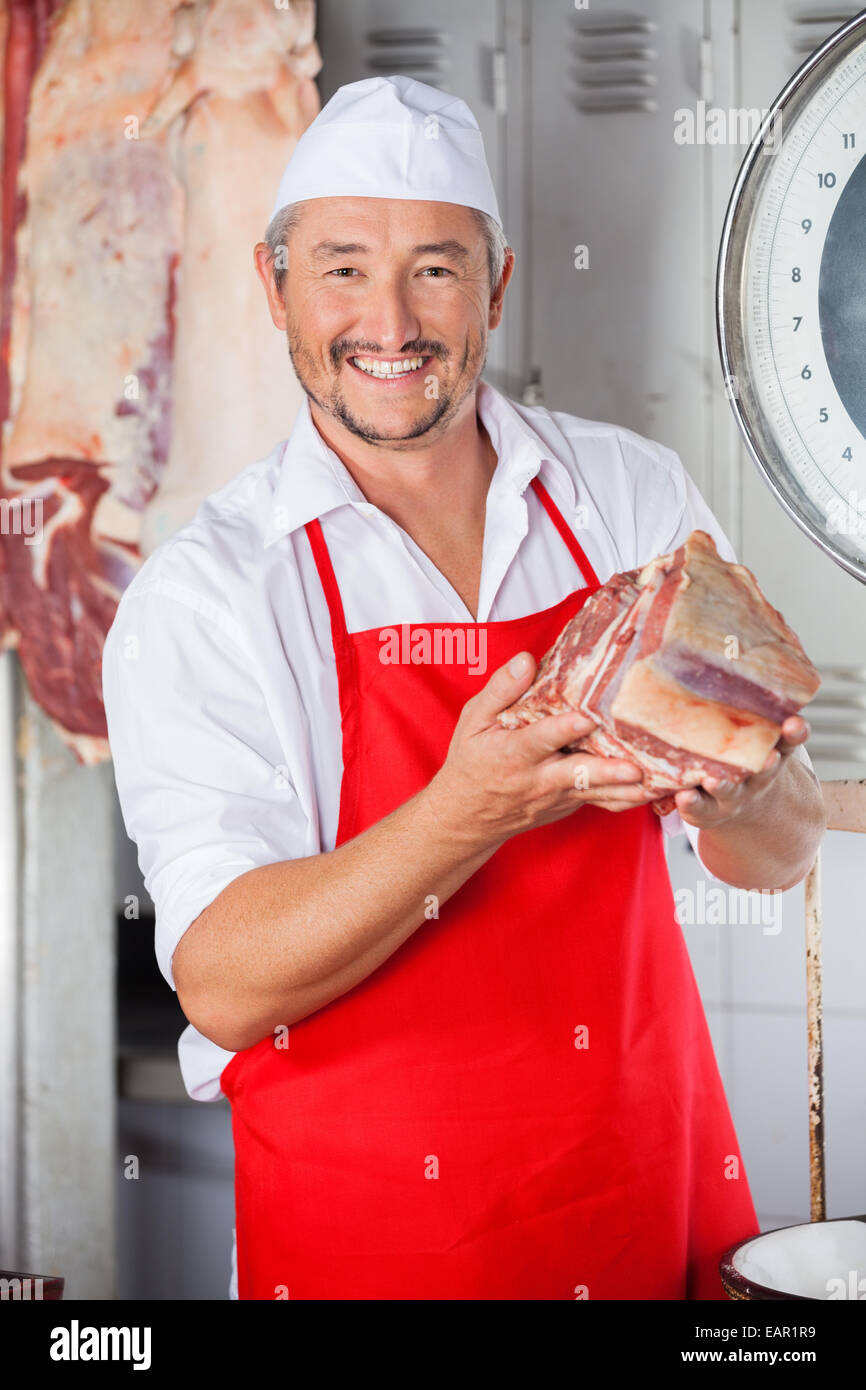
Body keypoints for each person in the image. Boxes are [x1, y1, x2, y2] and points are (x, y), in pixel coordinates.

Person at [102, 75, 825, 1301]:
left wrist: (738, 775)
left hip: (637, 1181)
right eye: (340, 268)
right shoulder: (211, 594)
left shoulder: (628, 502)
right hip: (368, 1233)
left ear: (492, 284)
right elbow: (224, 983)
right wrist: (470, 806)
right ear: (275, 288)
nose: (388, 319)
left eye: (434, 268)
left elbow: (783, 846)